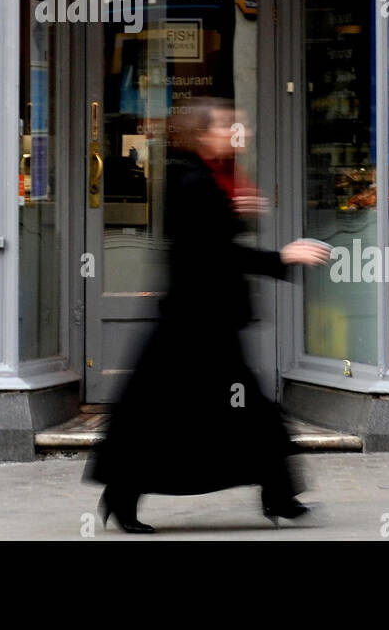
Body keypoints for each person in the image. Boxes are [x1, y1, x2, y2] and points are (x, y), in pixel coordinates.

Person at [84, 97, 331, 533]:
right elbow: (217, 254)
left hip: (203, 320)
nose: (241, 134)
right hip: (194, 325)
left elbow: (215, 242)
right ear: (202, 135)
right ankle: (126, 492)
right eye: (229, 127)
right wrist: (283, 256)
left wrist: (239, 213)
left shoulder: (204, 178)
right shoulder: (194, 182)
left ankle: (277, 492)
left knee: (214, 411)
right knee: (178, 414)